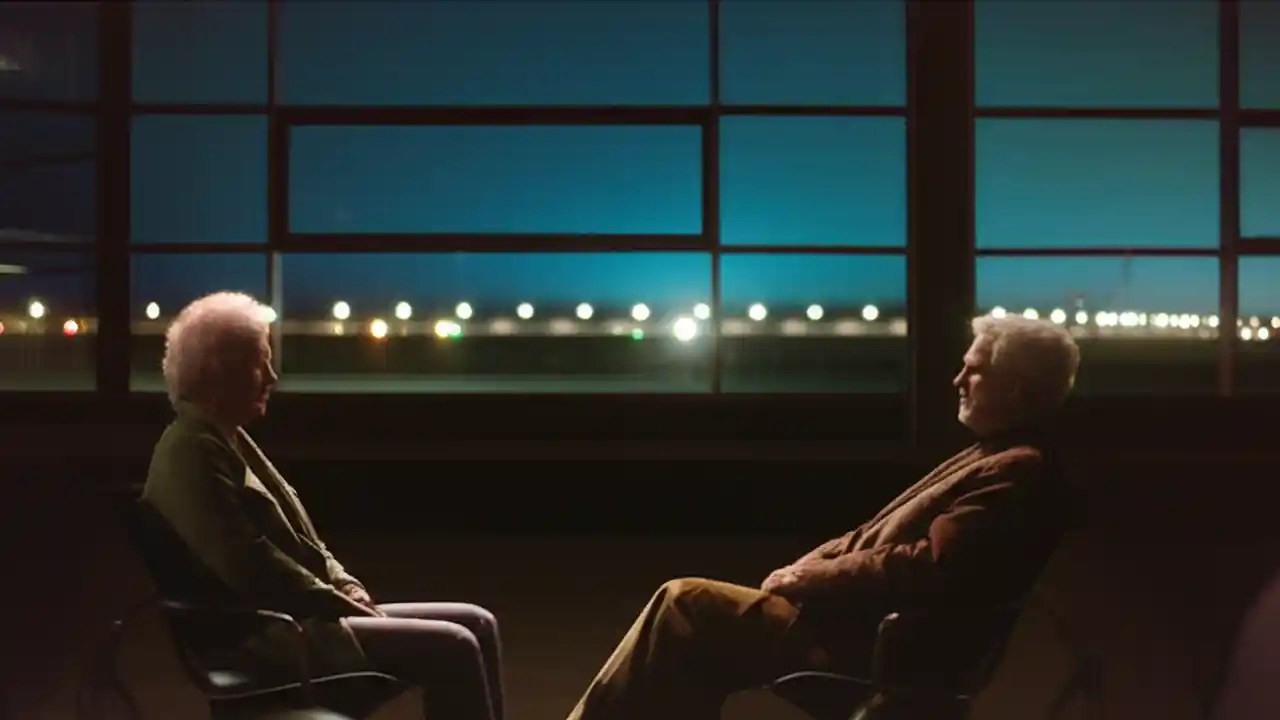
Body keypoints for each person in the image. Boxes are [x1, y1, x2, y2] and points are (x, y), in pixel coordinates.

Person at [566, 314, 1081, 720]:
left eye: (974, 368)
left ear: (1014, 388)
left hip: (867, 645)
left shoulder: (1017, 470)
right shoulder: (1004, 456)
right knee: (686, 647)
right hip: (863, 627)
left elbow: (929, 567)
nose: (958, 378)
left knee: (685, 604)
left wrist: (807, 577)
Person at [140, 291, 505, 720]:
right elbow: (249, 565)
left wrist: (343, 582)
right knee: (455, 645)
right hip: (276, 634)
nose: (272, 376)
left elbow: (301, 544)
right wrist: (337, 601)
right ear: (221, 369)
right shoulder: (192, 451)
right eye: (261, 361)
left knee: (478, 622)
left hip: (303, 615)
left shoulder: (224, 439)